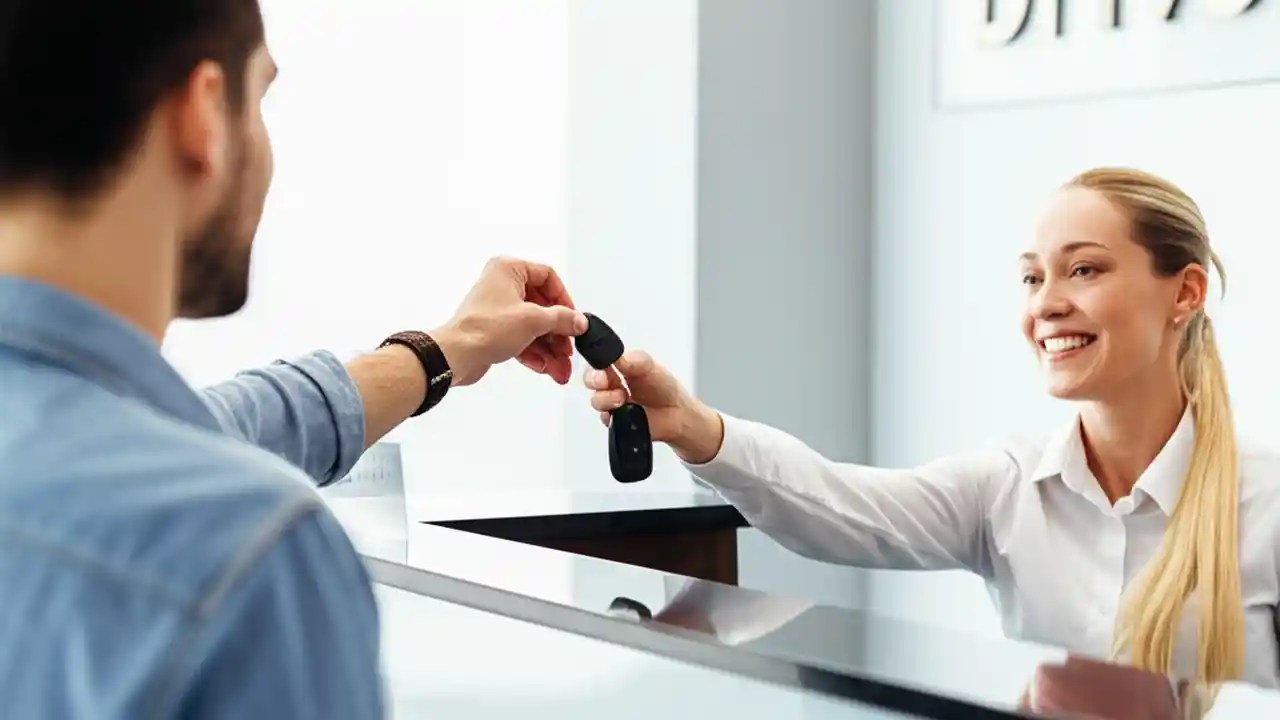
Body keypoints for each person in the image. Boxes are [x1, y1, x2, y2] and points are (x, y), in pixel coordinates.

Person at [0, 1, 587, 717]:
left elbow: (208, 427)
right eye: (261, 96)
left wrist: (444, 350)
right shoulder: (251, 563)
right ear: (204, 114)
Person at [585, 166, 1280, 688]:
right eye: (1033, 279)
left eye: (1085, 269)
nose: (1049, 304)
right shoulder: (1008, 485)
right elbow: (839, 508)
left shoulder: (1266, 501)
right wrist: (693, 427)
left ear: (1184, 293)